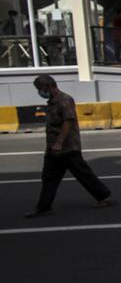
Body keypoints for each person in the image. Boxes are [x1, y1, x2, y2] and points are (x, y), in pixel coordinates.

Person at [26, 75, 114, 218]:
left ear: (48, 86)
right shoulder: (52, 102)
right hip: (54, 147)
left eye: (40, 88)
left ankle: (104, 196)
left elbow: (68, 121)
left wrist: (59, 142)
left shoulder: (65, 100)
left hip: (67, 147)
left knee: (82, 173)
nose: (39, 92)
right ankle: (43, 207)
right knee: (49, 177)